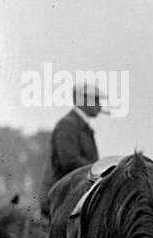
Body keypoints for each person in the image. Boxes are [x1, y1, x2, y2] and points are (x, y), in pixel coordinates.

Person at [40, 79, 105, 218]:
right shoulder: (67, 125)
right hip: (61, 196)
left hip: (74, 191)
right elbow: (69, 161)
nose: (100, 105)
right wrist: (99, 170)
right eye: (96, 99)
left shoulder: (81, 126)